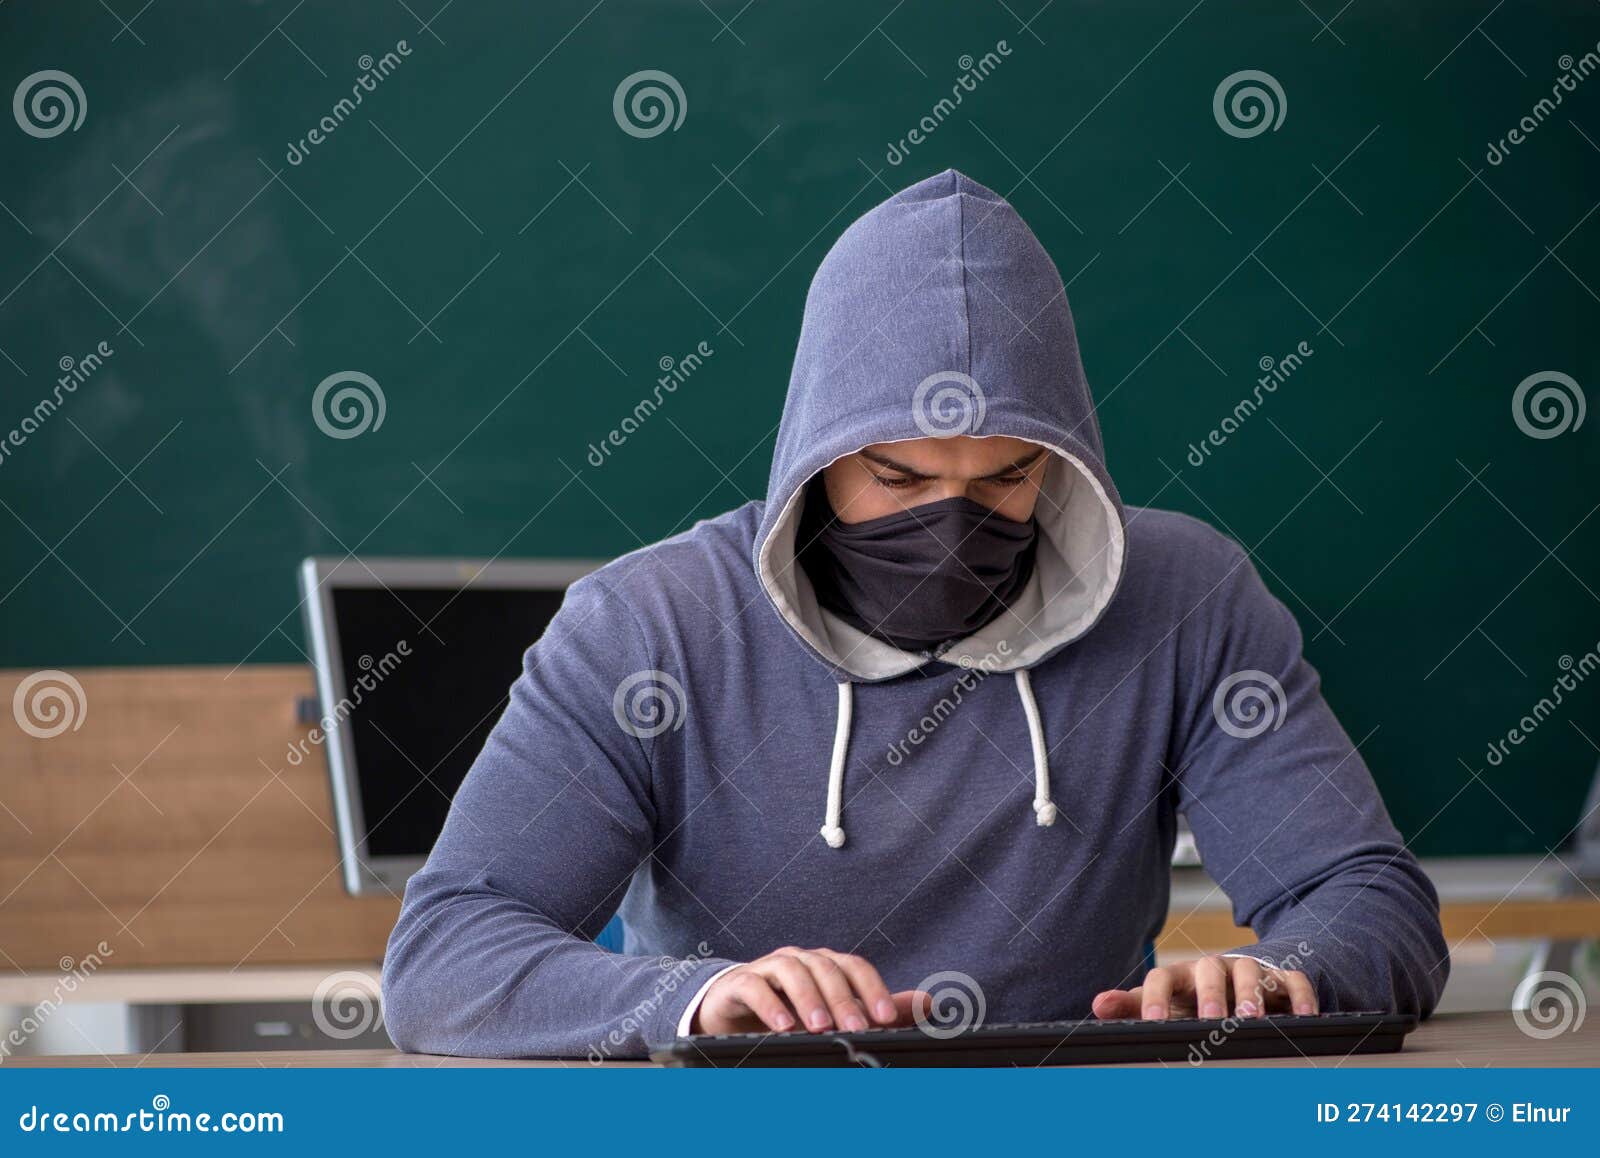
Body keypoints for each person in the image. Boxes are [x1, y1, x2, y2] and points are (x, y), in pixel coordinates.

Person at [381, 170, 1447, 1058]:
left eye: (1007, 477)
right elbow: (446, 958)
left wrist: (1278, 975)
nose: (950, 521)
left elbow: (1370, 900)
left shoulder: (1185, 599)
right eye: (896, 476)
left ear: (1063, 461)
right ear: (816, 456)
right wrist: (691, 1001)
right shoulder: (644, 627)